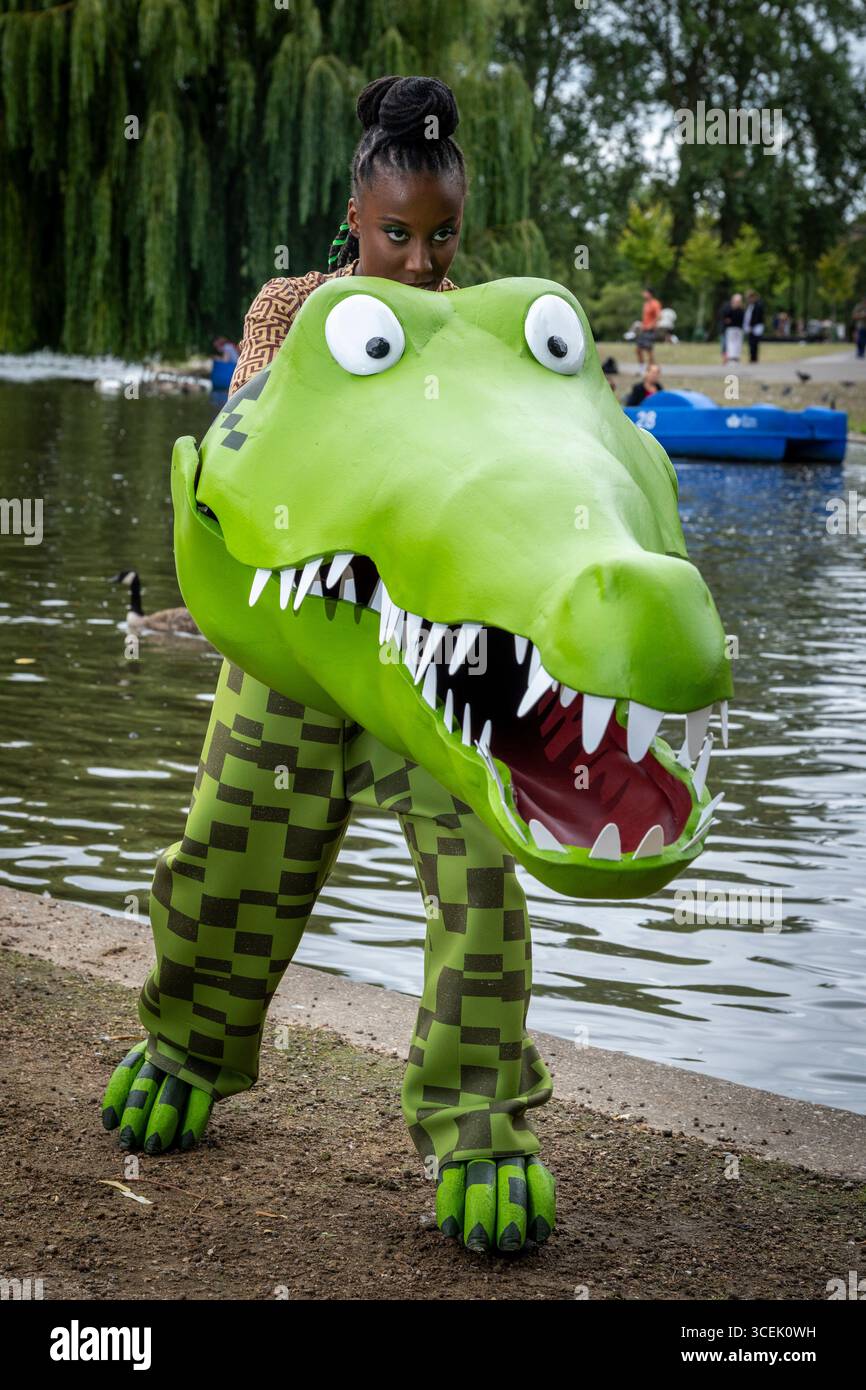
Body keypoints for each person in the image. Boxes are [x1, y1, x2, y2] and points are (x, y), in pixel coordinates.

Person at [107, 74, 556, 1249]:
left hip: (443, 675)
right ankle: (187, 1043)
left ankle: (481, 1122)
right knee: (228, 854)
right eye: (397, 233)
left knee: (478, 888)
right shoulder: (289, 308)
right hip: (301, 649)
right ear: (355, 220)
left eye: (441, 234)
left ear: (465, 227)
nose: (419, 258)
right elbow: (247, 429)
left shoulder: (489, 333)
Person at [636, 287, 662, 365]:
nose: (643, 294)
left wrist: (651, 325)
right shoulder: (646, 304)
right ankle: (642, 369)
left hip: (651, 330)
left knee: (649, 350)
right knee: (638, 349)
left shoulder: (655, 303)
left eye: (645, 292)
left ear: (650, 294)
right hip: (644, 330)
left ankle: (652, 370)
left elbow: (659, 316)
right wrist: (642, 325)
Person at [722, 292, 745, 363]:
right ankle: (730, 358)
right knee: (731, 343)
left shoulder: (741, 309)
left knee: (738, 344)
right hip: (730, 329)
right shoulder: (728, 307)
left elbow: (743, 318)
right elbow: (725, 317)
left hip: (738, 328)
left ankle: (736, 357)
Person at [743, 290, 765, 363]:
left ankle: (754, 358)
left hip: (755, 327)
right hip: (749, 327)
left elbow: (757, 317)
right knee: (751, 343)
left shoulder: (758, 305)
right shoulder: (749, 306)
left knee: (754, 343)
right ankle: (752, 358)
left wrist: (752, 325)